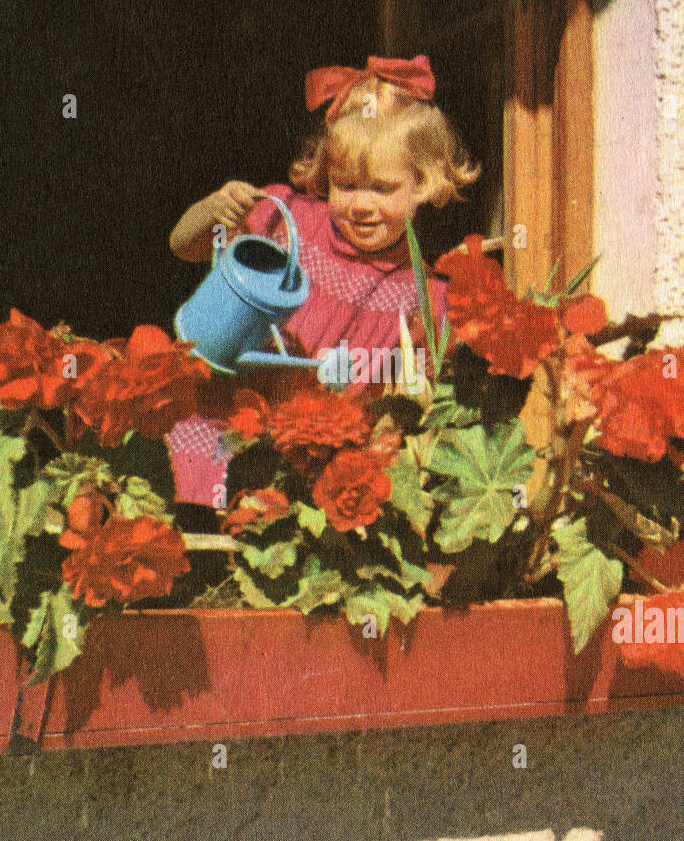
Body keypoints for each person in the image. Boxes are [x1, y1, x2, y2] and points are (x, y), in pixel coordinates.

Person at [167, 54, 480, 504]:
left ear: (424, 184)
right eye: (347, 185)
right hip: (232, 423)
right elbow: (183, 244)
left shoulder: (424, 294)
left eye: (383, 188)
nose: (362, 204)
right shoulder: (286, 219)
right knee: (207, 529)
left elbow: (420, 394)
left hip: (319, 461)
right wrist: (213, 209)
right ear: (326, 176)